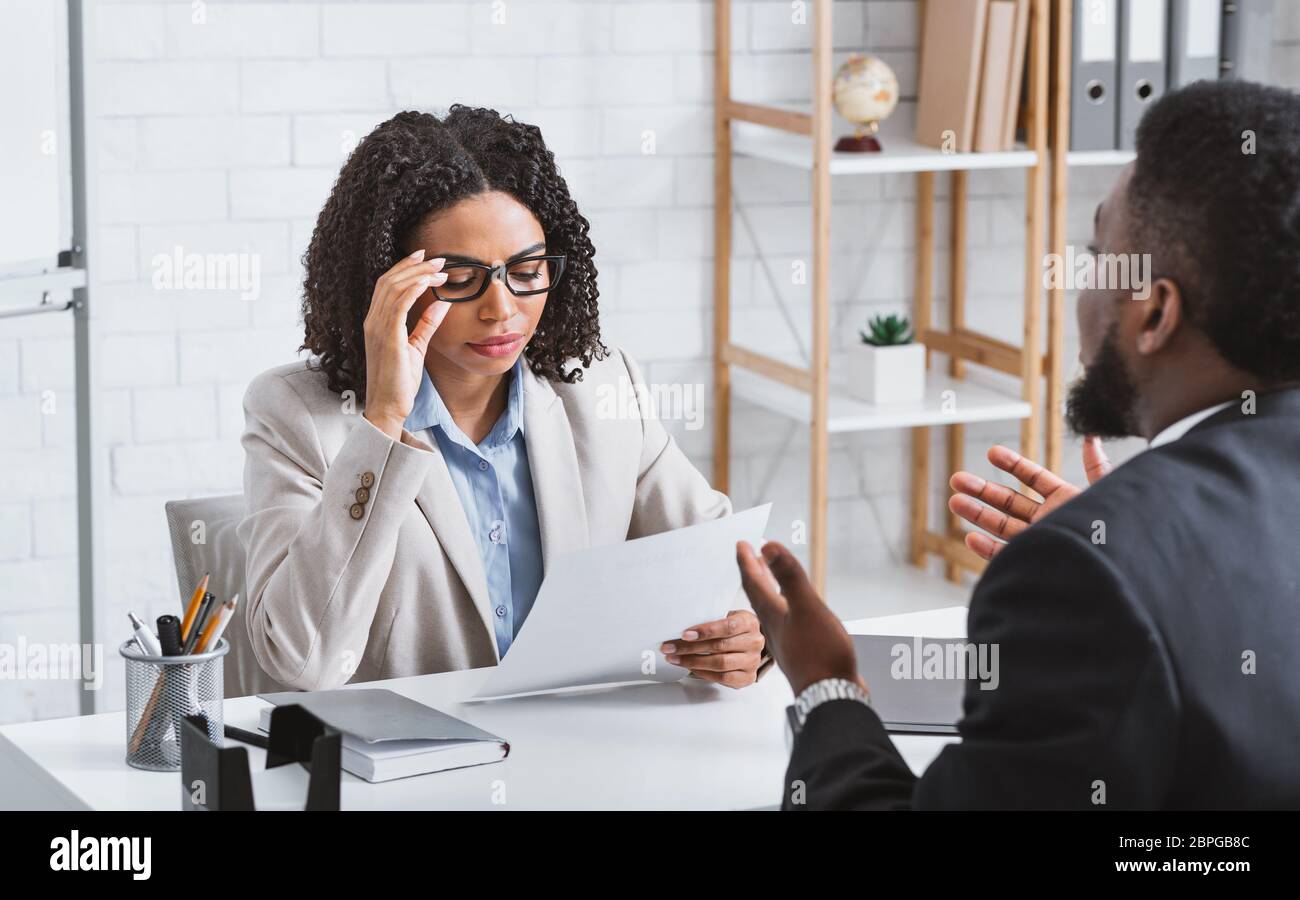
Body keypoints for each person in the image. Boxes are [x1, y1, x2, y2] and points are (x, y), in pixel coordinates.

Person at [736, 79, 1300, 809]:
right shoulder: (1112, 559)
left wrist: (827, 687)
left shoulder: (1083, 574)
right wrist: (1147, 559)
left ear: (1155, 313)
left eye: (1099, 253)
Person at [238, 106, 767, 692]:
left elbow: (732, 567)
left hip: (578, 751)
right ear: (385, 286)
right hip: (406, 770)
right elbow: (300, 661)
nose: (501, 309)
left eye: (527, 269)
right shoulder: (296, 417)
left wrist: (749, 634)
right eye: (459, 279)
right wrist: (384, 422)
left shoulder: (603, 391)